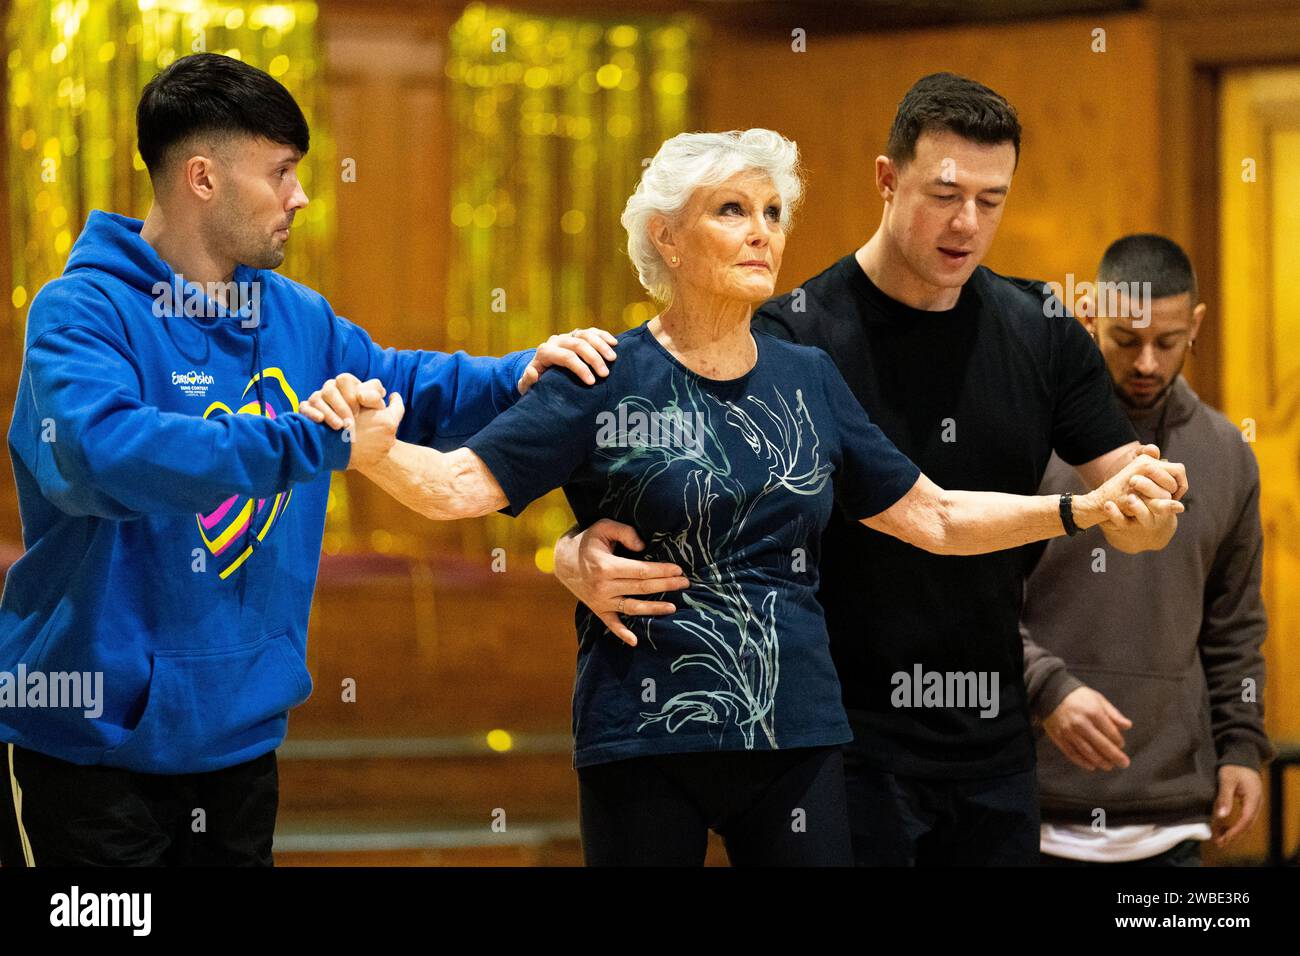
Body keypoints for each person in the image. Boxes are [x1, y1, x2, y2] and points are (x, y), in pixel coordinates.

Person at [303, 129, 1186, 866]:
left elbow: (937, 516)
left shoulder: (808, 377)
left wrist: (1080, 509)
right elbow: (460, 486)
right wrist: (372, 453)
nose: (763, 231)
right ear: (668, 238)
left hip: (796, 735)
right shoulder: (602, 374)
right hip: (644, 733)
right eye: (733, 211)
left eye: (772, 212)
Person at [553, 73, 1190, 866]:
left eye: (992, 201)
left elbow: (1126, 492)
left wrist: (1149, 506)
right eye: (945, 193)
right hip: (837, 741)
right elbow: (664, 497)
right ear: (886, 180)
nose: (967, 223)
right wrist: (570, 550)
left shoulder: (1043, 330)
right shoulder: (791, 340)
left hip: (994, 736)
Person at [0, 52, 612, 867]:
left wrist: (518, 373)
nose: (301, 196)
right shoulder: (81, 309)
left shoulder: (293, 313)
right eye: (281, 173)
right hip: (92, 755)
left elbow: (401, 383)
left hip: (239, 744)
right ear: (203, 179)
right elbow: (101, 454)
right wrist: (309, 440)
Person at [1023, 234, 1271, 866]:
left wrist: (1242, 747)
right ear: (1090, 320)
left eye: (1167, 342)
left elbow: (1234, 625)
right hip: (1029, 809)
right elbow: (972, 600)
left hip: (1172, 821)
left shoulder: (1227, 452)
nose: (1147, 365)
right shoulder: (1026, 438)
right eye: (1125, 340)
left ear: (1195, 325)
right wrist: (1046, 688)